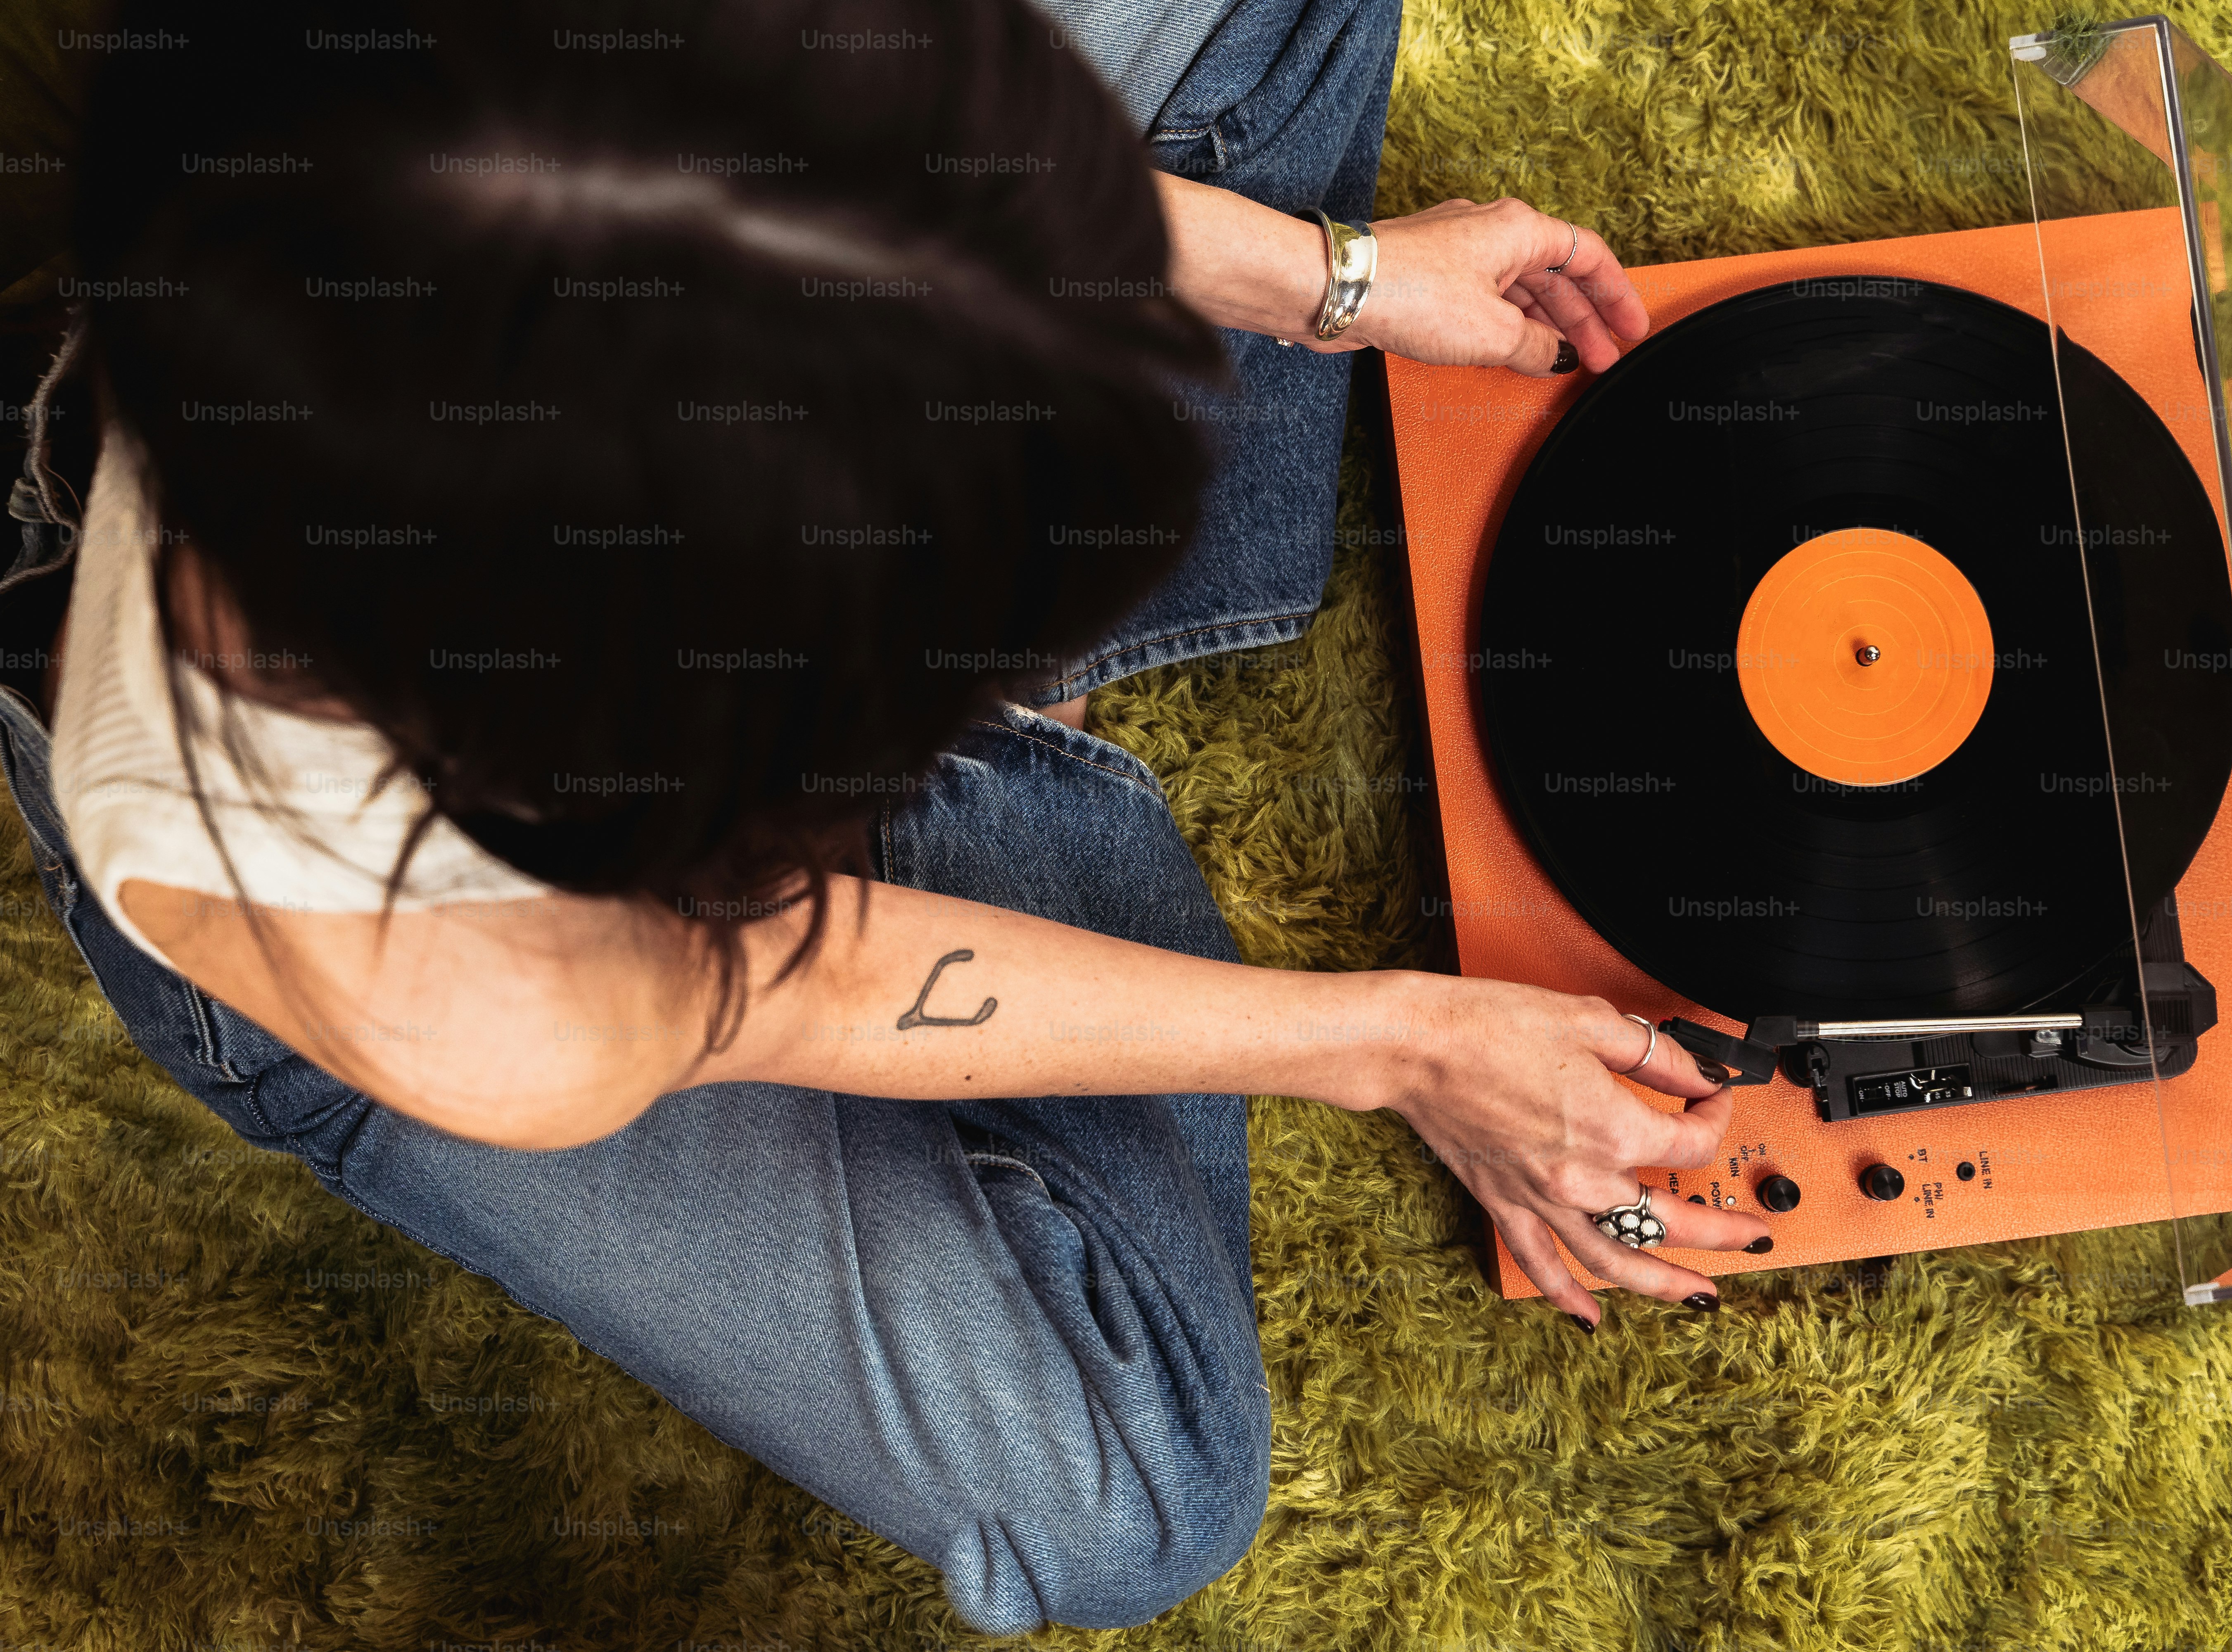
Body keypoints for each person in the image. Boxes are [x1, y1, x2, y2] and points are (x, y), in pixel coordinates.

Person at [0, 0, 1768, 1634]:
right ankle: (1025, 734)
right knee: (1131, 1481)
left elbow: (857, 162)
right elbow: (825, 981)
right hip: (412, 886)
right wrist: (1402, 1043)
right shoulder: (472, 992)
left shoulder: (537, 115)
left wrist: (1342, 282)